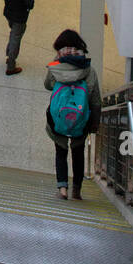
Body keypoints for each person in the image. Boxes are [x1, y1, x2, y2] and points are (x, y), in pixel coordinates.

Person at [44, 29, 102, 200]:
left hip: (58, 118)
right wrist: (94, 124)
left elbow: (47, 85)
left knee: (60, 151)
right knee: (78, 152)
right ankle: (77, 190)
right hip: (81, 119)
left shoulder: (56, 66)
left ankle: (62, 189)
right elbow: (95, 99)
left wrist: (54, 67)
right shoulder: (89, 69)